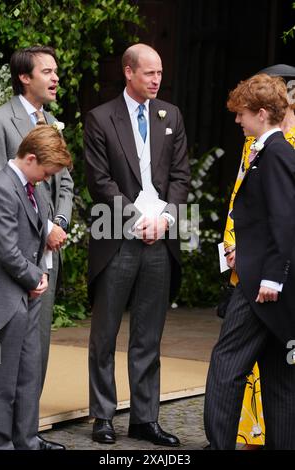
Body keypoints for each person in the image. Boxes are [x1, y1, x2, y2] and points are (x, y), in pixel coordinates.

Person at [84, 43, 190, 446]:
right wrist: (134, 220)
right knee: (105, 333)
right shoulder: (100, 118)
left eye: (160, 73)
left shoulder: (171, 115)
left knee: (149, 334)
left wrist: (164, 220)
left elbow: (181, 175)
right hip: (116, 236)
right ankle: (103, 416)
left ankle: (145, 419)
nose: (156, 79)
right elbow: (99, 181)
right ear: (128, 72)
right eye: (149, 73)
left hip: (159, 238)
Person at [204, 73, 295, 450]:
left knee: (226, 368)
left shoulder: (274, 154)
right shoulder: (276, 152)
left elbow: (285, 219)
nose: (238, 121)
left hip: (261, 287)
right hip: (270, 282)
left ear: (261, 113)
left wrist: (271, 277)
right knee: (279, 380)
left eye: (241, 114)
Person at [0, 46, 73, 439]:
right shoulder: (0, 121)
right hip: (15, 256)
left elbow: (66, 182)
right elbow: (4, 191)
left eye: (56, 70)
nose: (56, 77)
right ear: (25, 77)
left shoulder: (53, 121)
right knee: (7, 359)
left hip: (46, 253)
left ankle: (29, 433)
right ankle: (4, 434)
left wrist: (58, 222)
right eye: (48, 71)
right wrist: (43, 229)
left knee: (36, 348)